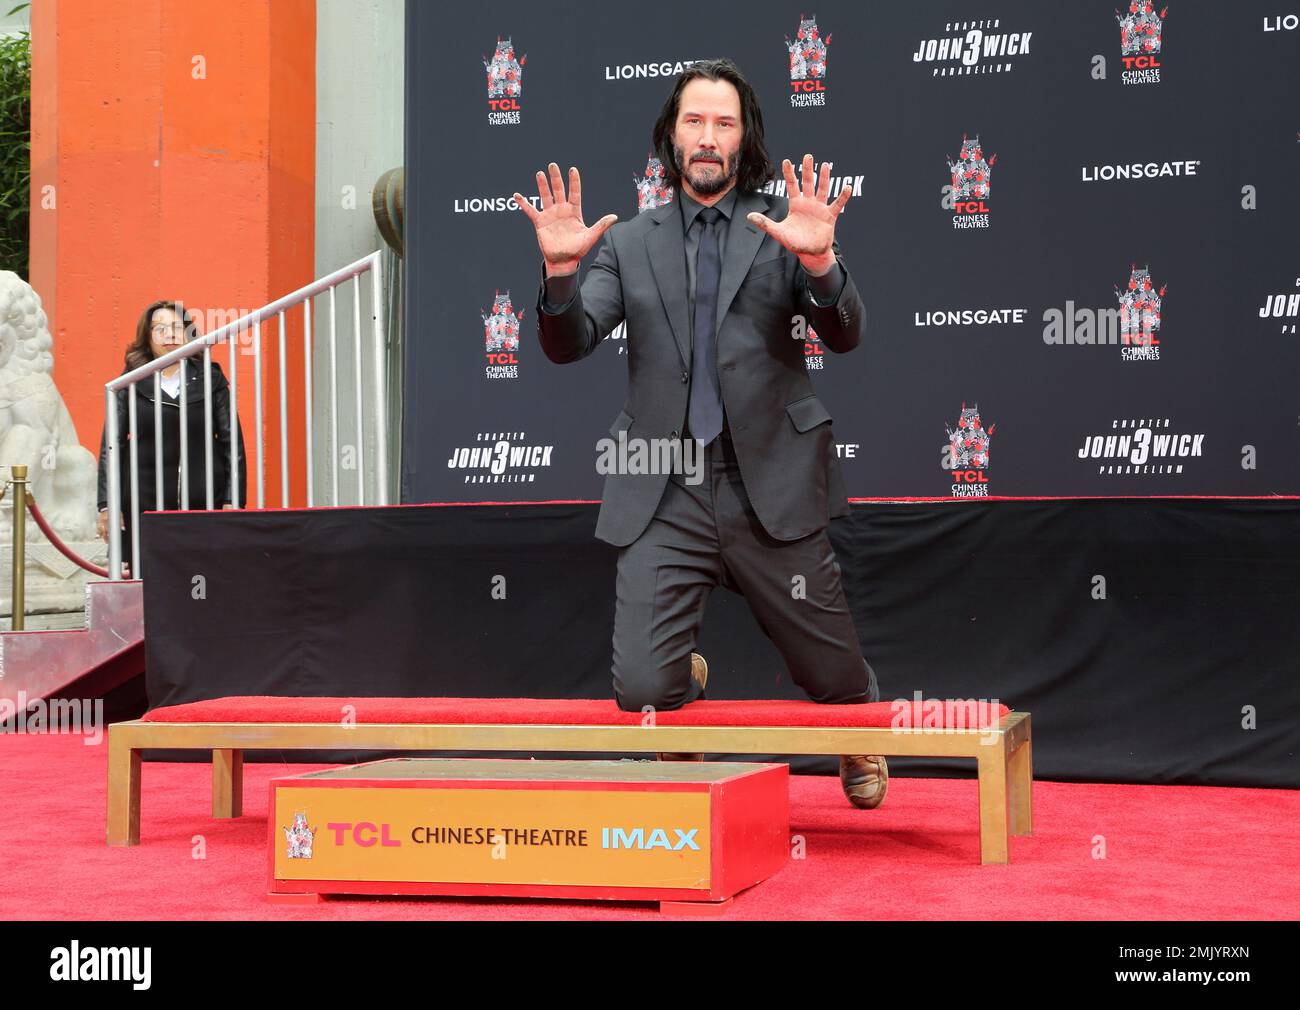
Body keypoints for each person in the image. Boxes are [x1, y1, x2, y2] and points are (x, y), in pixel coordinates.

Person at [513, 58, 888, 809]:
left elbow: (844, 335)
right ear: (671, 137)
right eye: (694, 122)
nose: (708, 137)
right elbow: (570, 341)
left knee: (834, 681)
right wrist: (558, 278)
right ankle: (684, 682)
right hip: (665, 490)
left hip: (769, 484)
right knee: (645, 692)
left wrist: (820, 263)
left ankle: (859, 728)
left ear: (744, 138)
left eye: (724, 123)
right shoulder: (628, 242)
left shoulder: (782, 229)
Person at [96, 301, 248, 573]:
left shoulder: (210, 378)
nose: (169, 335)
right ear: (147, 336)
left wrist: (232, 499)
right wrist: (108, 504)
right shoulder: (130, 382)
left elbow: (230, 440)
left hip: (204, 498)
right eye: (160, 328)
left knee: (201, 576)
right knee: (149, 579)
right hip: (143, 500)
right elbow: (113, 446)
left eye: (177, 327)